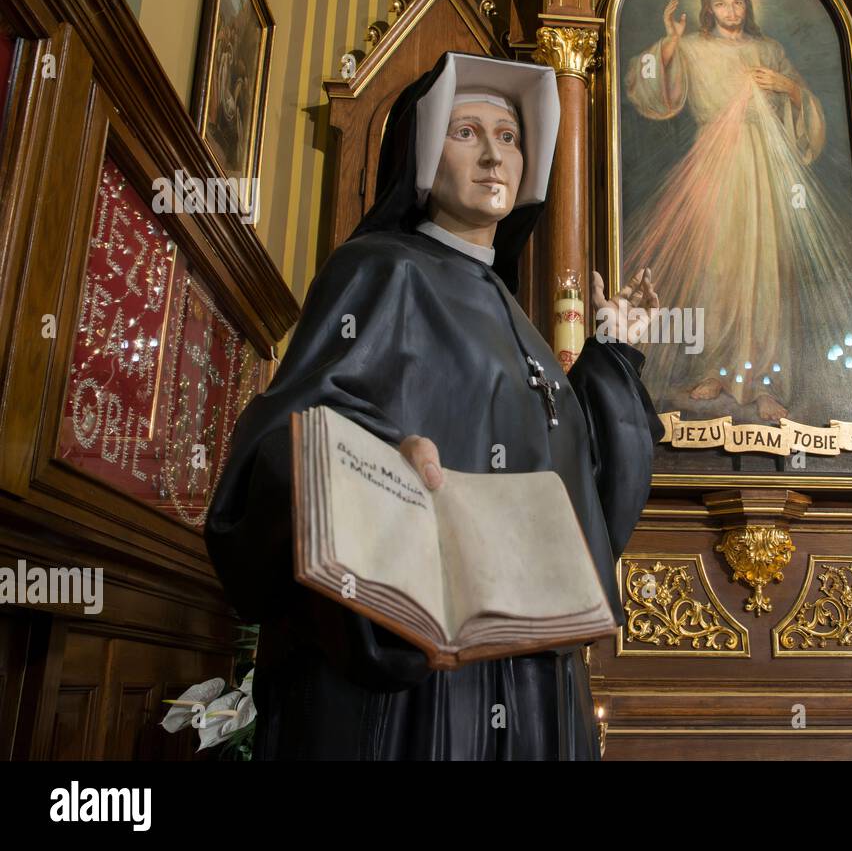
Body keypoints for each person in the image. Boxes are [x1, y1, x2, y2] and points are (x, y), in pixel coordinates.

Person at [205, 51, 662, 759]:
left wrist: (614, 360)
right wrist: (381, 467)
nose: (493, 156)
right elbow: (283, 443)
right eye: (465, 132)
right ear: (420, 155)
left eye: (508, 137)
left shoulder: (524, 326)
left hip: (537, 676)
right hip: (424, 686)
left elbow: (587, 504)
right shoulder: (381, 272)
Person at [624, 0, 852, 423]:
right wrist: (671, 43)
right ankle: (713, 367)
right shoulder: (692, 46)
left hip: (766, 163)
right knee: (716, 263)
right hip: (714, 159)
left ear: (747, 6)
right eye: (720, 4)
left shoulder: (768, 50)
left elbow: (804, 105)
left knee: (768, 270)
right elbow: (653, 88)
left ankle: (764, 381)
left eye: (737, 3)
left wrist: (785, 86)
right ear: (707, 8)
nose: (730, 12)